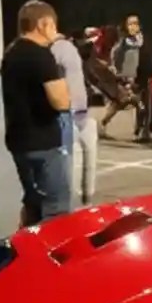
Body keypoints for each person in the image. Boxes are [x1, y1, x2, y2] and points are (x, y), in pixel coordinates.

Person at [1, 0, 72, 226]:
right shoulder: (42, 56)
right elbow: (61, 102)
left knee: (33, 203)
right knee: (56, 208)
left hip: (19, 142)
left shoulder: (11, 53)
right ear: (43, 24)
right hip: (44, 143)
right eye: (53, 25)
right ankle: (47, 256)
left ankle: (25, 250)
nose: (55, 31)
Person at [51, 32, 96, 205]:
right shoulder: (58, 51)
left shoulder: (58, 51)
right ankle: (84, 204)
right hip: (75, 114)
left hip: (75, 113)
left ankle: (82, 205)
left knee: (79, 164)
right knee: (82, 164)